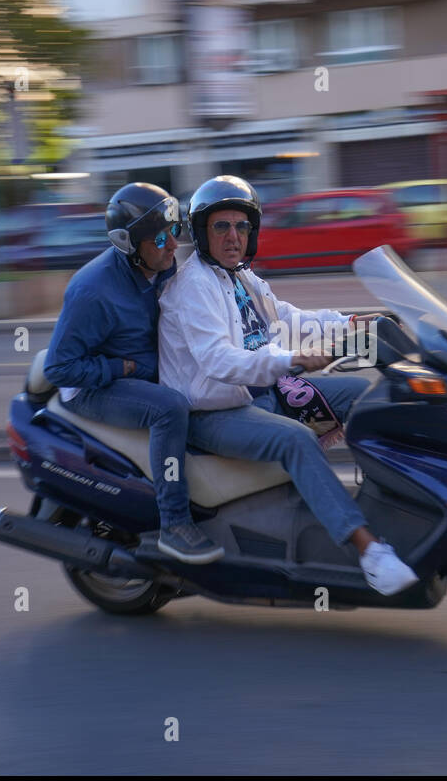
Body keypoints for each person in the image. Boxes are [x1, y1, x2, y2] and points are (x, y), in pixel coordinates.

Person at [158, 175, 419, 595]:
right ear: (203, 233)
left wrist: (350, 322)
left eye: (241, 227)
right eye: (221, 227)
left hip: (259, 393)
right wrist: (291, 359)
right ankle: (368, 551)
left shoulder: (240, 277)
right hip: (213, 413)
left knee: (364, 396)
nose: (233, 237)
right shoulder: (194, 286)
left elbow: (285, 318)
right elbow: (219, 360)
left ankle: (392, 502)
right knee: (295, 440)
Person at [43, 182, 223, 564]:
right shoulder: (93, 292)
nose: (173, 245)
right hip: (93, 387)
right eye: (161, 238)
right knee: (170, 408)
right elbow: (59, 367)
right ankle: (175, 524)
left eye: (175, 231)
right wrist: (122, 366)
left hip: (144, 366)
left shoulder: (158, 263)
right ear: (130, 245)